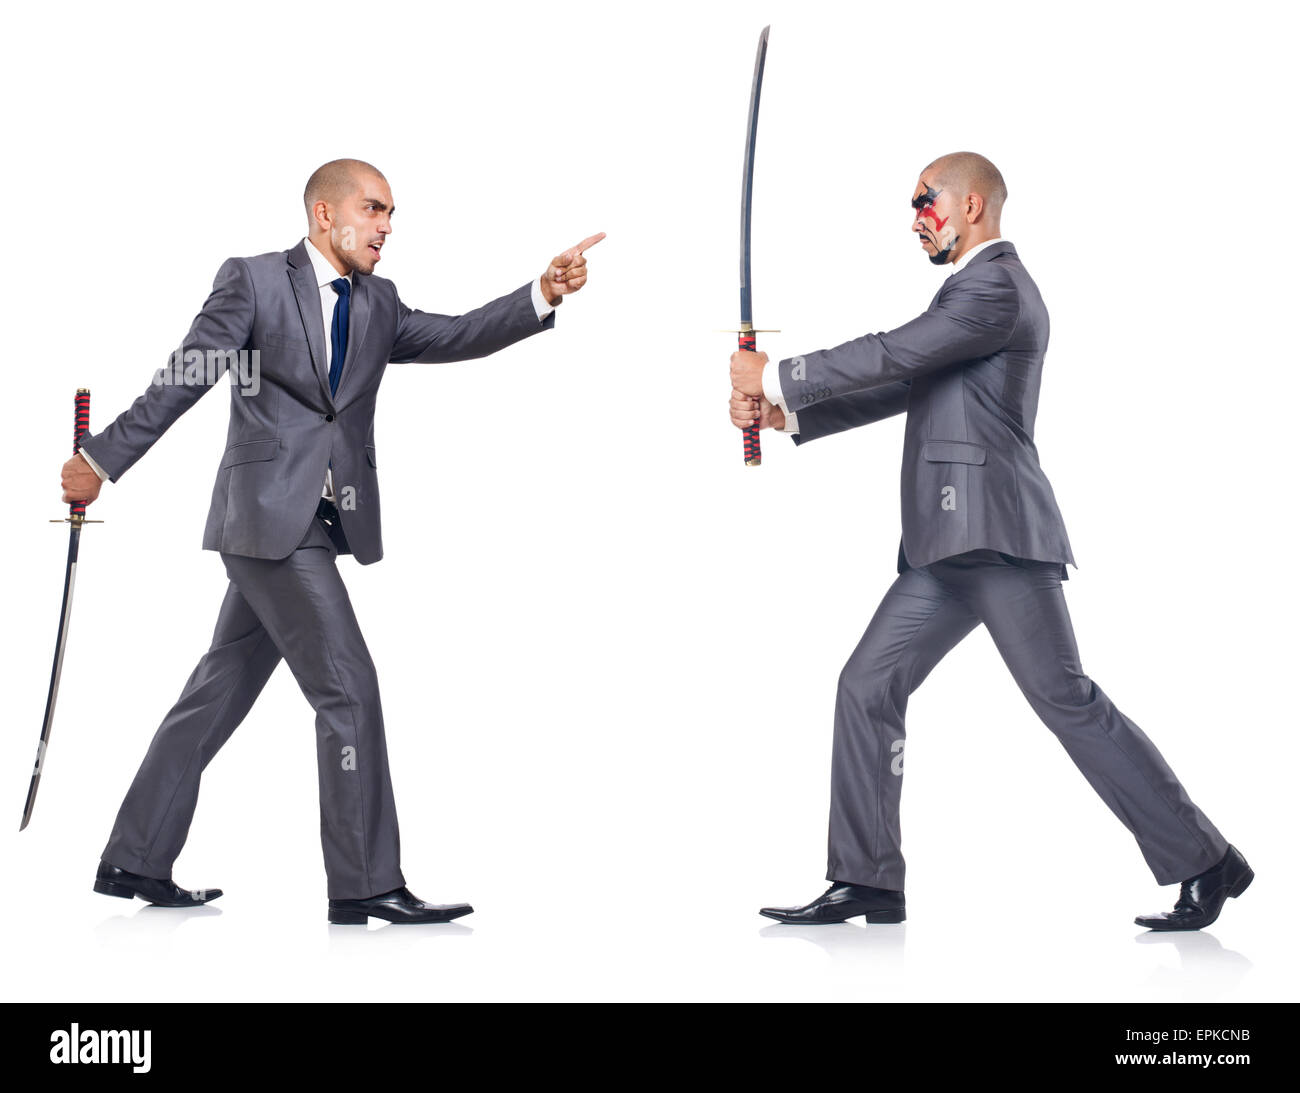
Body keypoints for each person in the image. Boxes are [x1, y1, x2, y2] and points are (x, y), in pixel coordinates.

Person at [61, 158, 603, 924]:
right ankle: (364, 881)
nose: (386, 227)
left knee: (216, 693)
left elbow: (457, 335)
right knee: (348, 687)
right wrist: (99, 459)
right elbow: (187, 373)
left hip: (318, 523)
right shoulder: (253, 281)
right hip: (264, 523)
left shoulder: (378, 302)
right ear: (324, 214)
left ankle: (133, 856)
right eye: (374, 209)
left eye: (392, 215)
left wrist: (542, 291)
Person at [728, 151, 1249, 931]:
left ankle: (1207, 860)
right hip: (945, 545)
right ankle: (867, 877)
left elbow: (895, 349)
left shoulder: (995, 286)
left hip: (998, 536)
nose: (914, 217)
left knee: (1065, 699)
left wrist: (777, 376)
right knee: (866, 685)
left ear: (972, 205)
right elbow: (913, 382)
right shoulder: (967, 297)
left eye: (924, 201)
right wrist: (788, 416)